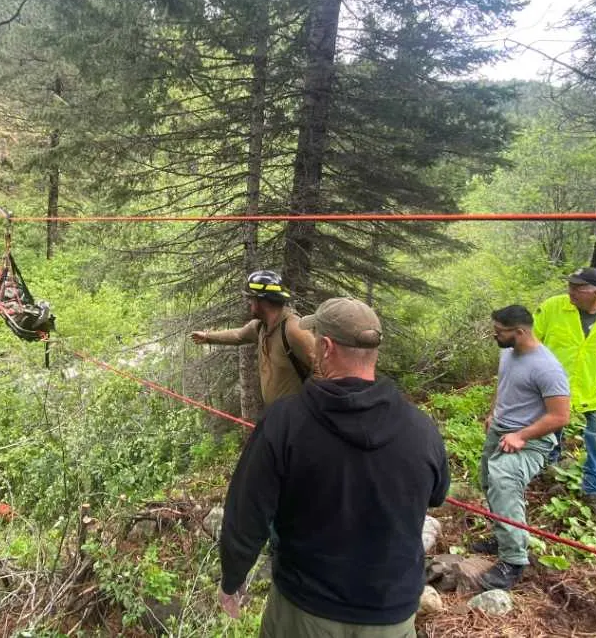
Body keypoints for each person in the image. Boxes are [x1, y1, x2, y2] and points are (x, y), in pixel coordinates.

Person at [218, 297, 450, 636]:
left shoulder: (285, 422)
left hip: (305, 609)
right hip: (392, 614)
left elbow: (246, 513)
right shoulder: (422, 428)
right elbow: (437, 495)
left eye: (314, 339)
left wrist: (233, 579)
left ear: (325, 347)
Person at [476, 305, 570, 591]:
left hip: (531, 438)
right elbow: (503, 386)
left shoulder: (547, 367)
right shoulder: (508, 352)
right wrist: (494, 413)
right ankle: (504, 534)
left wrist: (522, 435)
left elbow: (560, 416)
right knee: (488, 480)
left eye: (499, 332)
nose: (495, 336)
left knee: (504, 481)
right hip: (501, 430)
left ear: (520, 332)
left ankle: (513, 560)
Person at [534, 267, 596, 521]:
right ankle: (549, 469)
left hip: (594, 390)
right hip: (553, 387)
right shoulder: (552, 307)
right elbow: (531, 343)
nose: (571, 291)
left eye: (578, 288)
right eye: (570, 285)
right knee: (549, 430)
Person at [190, 270, 314, 406]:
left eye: (251, 298)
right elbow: (238, 335)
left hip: (298, 419)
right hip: (277, 418)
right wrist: (208, 337)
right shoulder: (260, 327)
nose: (249, 303)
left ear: (262, 301)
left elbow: (324, 369)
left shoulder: (294, 329)